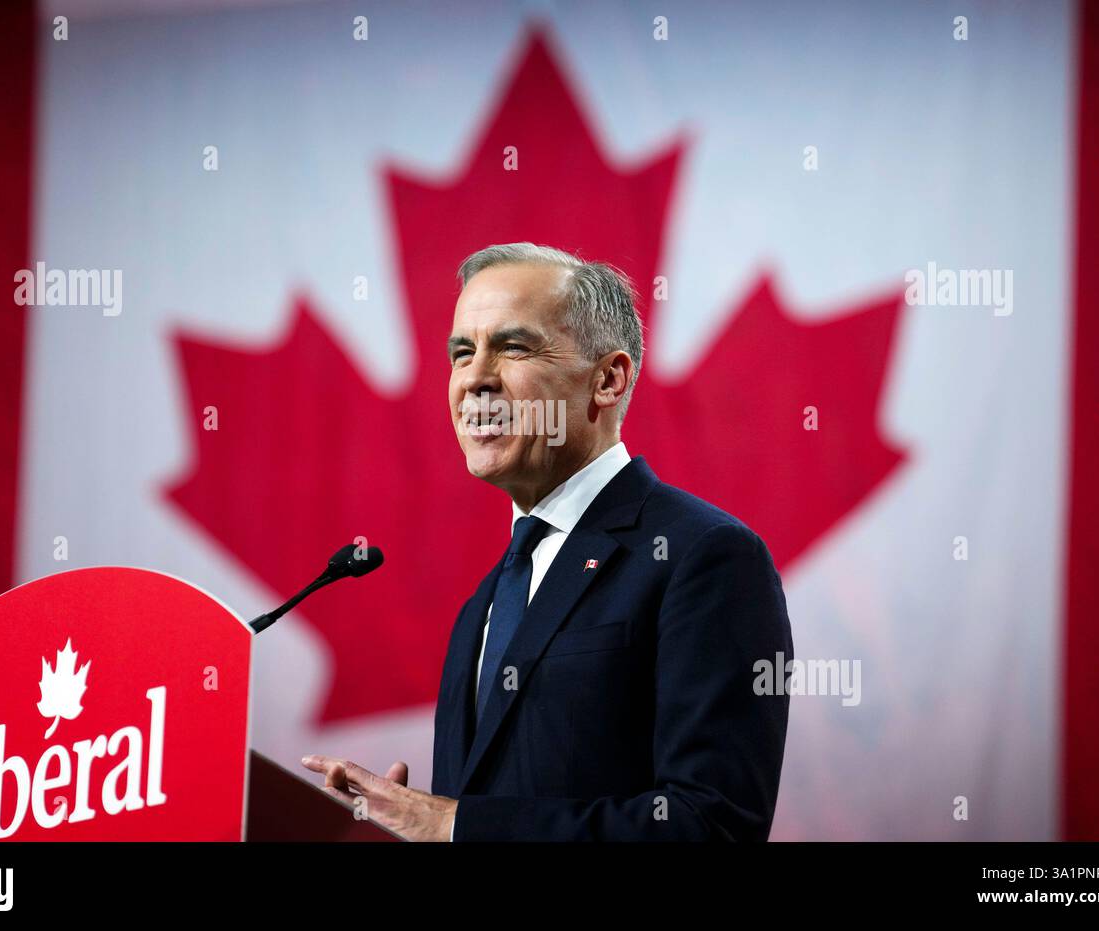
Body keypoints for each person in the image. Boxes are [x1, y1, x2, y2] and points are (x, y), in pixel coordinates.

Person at [302, 243, 792, 841]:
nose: (475, 379)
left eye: (512, 347)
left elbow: (712, 825)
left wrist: (453, 824)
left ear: (608, 380)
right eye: (462, 353)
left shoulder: (704, 557)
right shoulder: (483, 604)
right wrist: (407, 825)